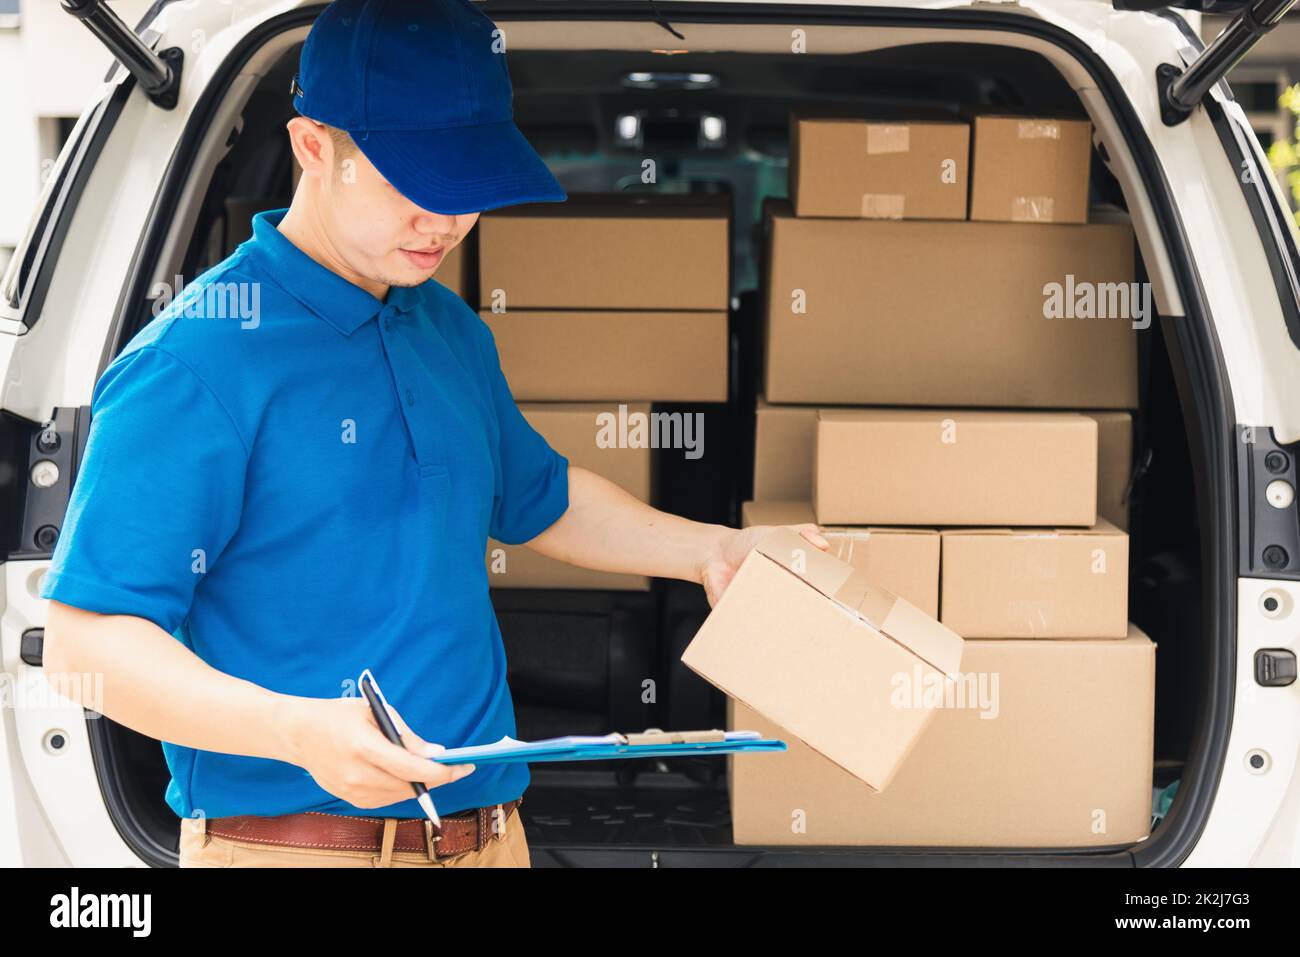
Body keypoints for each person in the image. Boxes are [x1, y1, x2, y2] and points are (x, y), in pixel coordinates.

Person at [40, 0, 825, 868]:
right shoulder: (196, 360)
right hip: (297, 847)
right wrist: (294, 729)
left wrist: (711, 550)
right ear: (313, 148)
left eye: (468, 188)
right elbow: (85, 642)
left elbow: (542, 499)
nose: (444, 220)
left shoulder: (446, 328)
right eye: (413, 181)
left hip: (489, 838)